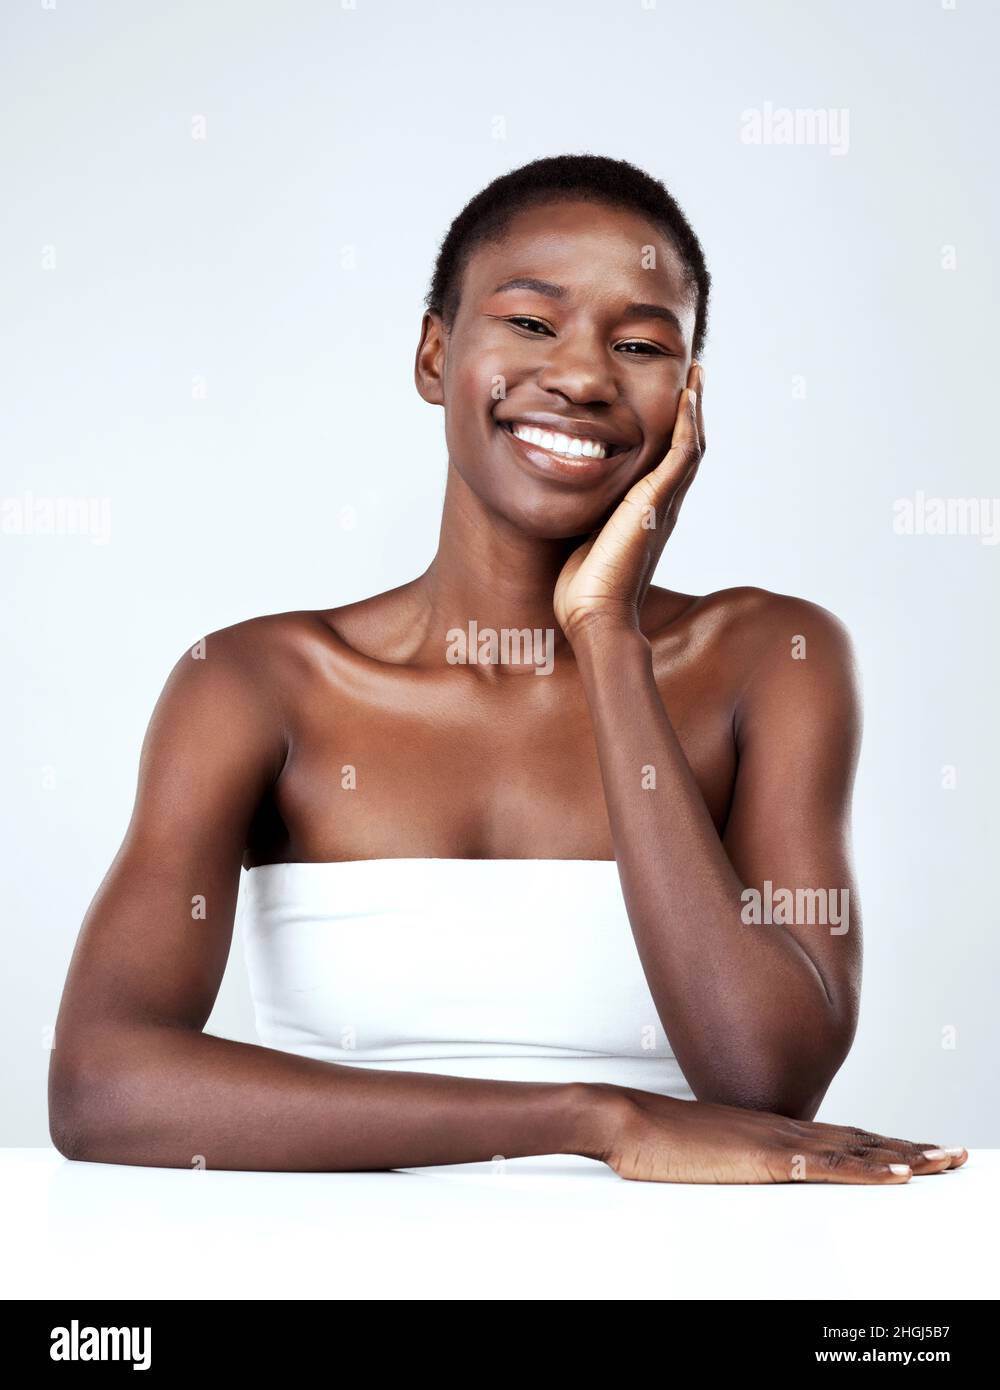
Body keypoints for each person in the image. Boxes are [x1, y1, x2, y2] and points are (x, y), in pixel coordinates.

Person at [48, 154, 966, 1183]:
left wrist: (606, 633)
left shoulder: (771, 661)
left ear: (689, 398)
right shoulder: (258, 683)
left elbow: (762, 1081)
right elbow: (101, 1085)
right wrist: (595, 1118)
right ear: (435, 355)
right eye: (531, 324)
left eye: (640, 344)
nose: (581, 376)